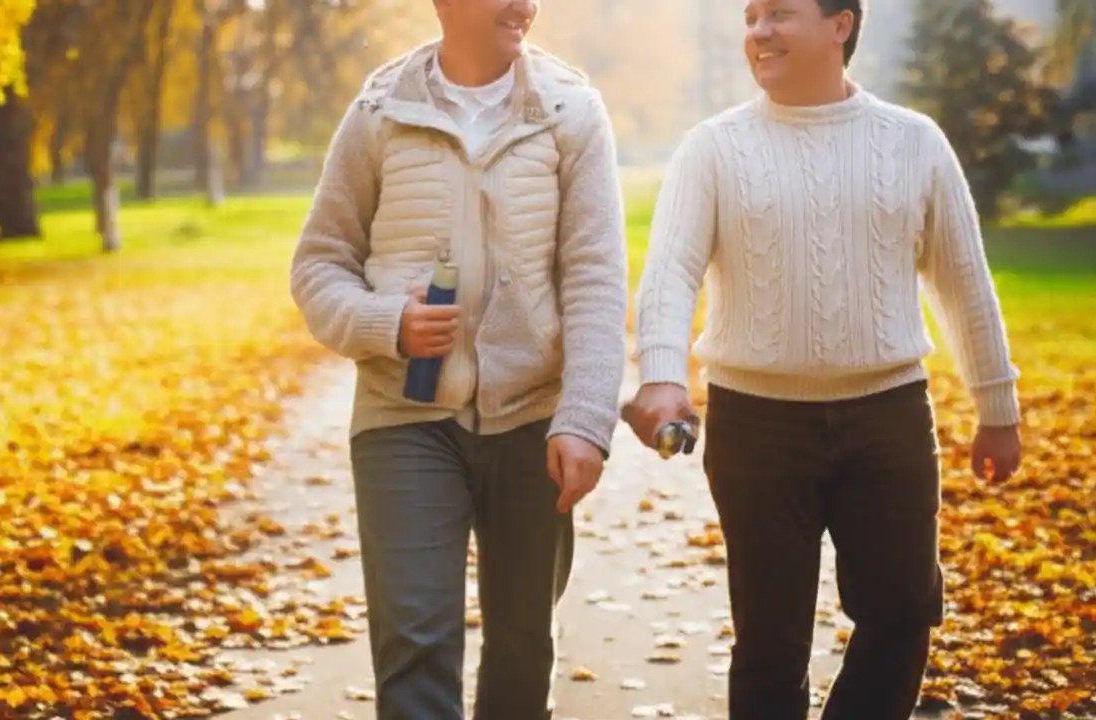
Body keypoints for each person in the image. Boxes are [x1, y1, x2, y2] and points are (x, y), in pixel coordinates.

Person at [621, 1, 1024, 718]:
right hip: (757, 426)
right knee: (770, 641)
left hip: (889, 417)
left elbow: (964, 283)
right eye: (750, 16)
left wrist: (997, 408)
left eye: (780, 13)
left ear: (841, 24)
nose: (758, 32)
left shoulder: (914, 142)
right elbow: (672, 271)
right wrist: (659, 376)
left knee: (902, 612)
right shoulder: (713, 147)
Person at [288, 0, 628, 717]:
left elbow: (596, 278)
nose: (525, 5)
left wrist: (586, 419)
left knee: (522, 646)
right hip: (402, 419)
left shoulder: (571, 111)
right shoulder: (381, 111)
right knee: (413, 641)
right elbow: (319, 265)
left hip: (534, 421)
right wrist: (388, 324)